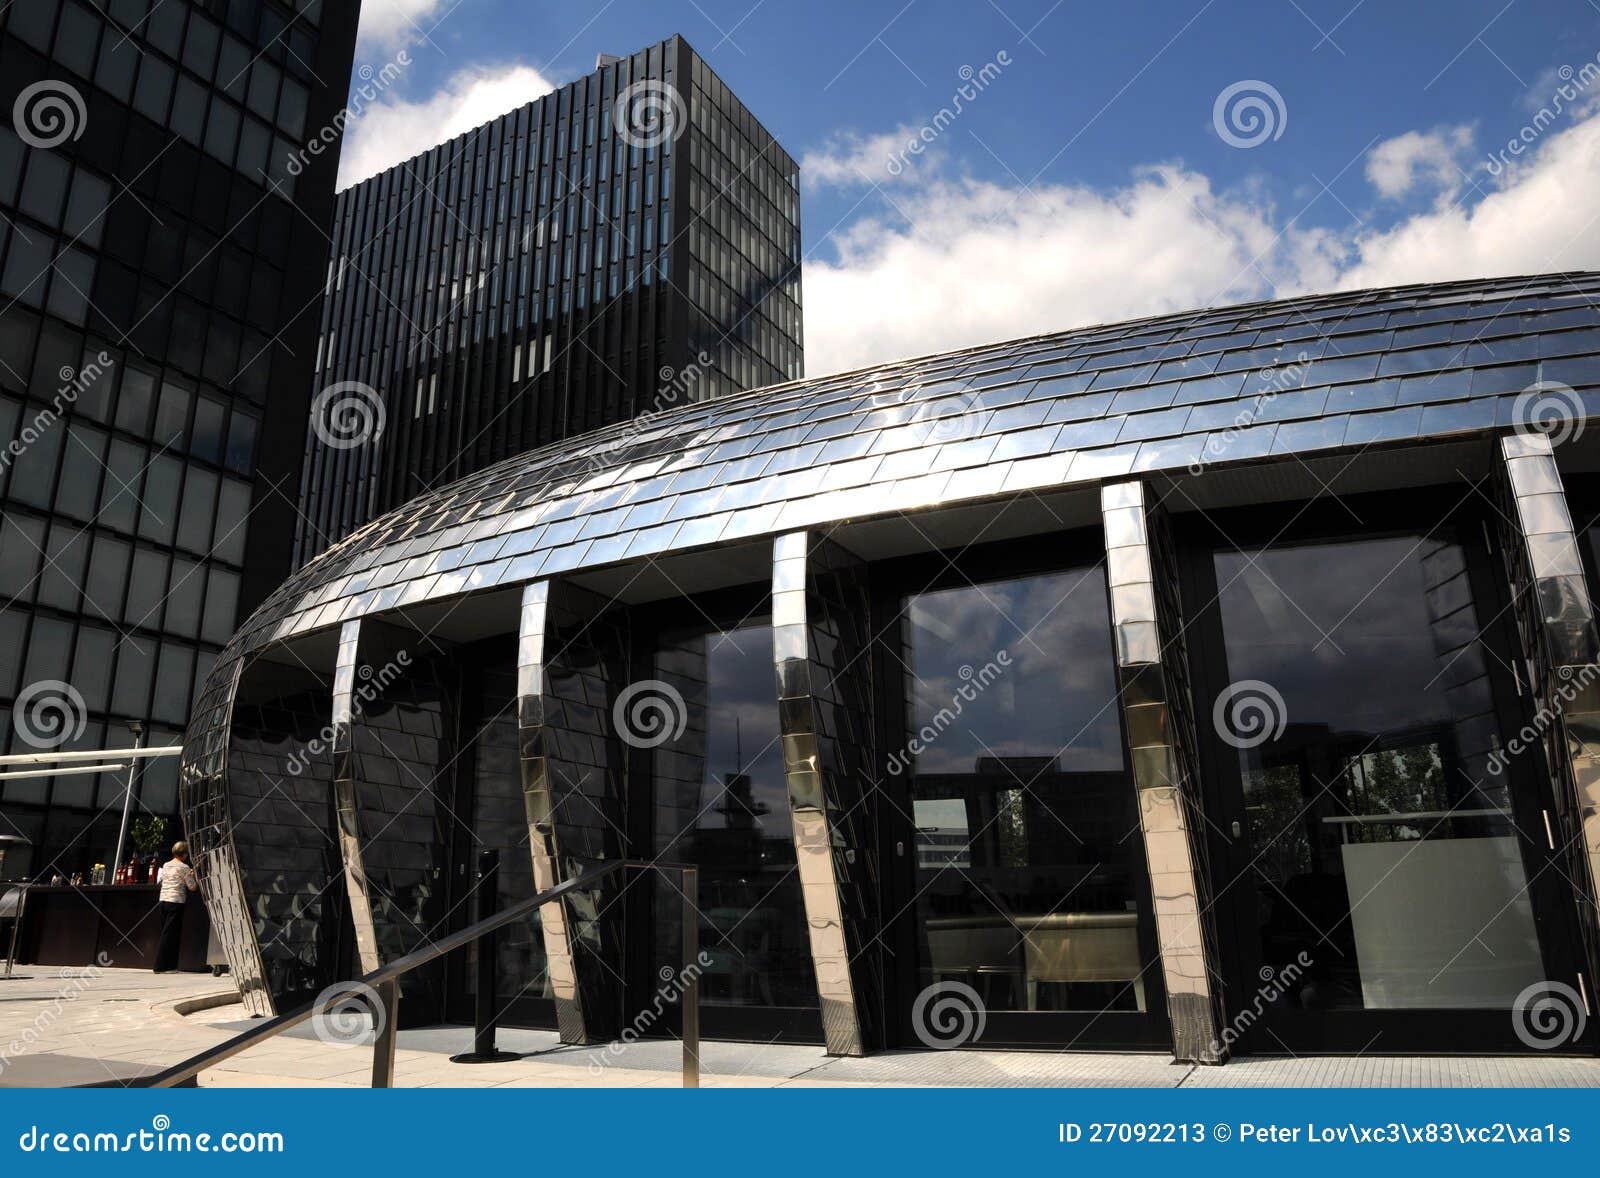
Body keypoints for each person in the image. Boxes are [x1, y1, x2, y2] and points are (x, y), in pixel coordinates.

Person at [153, 841, 198, 973]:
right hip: (176, 902)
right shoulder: (184, 867)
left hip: (163, 900)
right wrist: (192, 875)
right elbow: (192, 887)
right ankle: (160, 966)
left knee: (167, 933)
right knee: (170, 934)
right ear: (184, 854)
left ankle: (170, 966)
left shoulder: (166, 865)